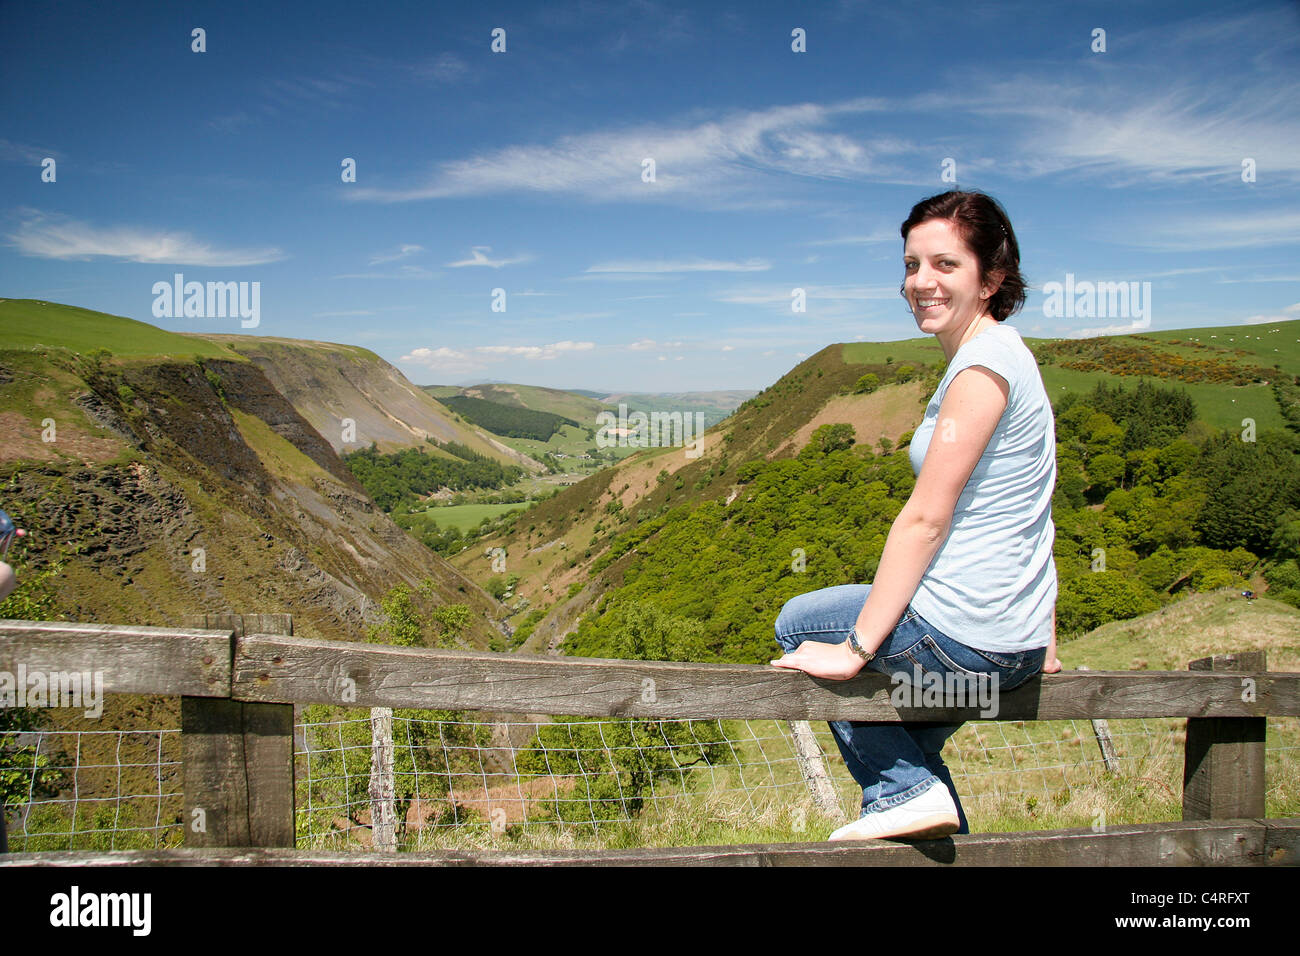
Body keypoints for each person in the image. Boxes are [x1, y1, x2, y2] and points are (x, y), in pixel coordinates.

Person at [771, 190, 1062, 841]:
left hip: (965, 638)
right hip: (1010, 645)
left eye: (945, 265)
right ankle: (917, 796)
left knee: (798, 622)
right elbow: (1032, 506)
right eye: (910, 264)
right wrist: (1043, 635)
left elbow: (925, 520)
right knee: (912, 751)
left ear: (991, 279)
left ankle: (900, 789)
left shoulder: (981, 368)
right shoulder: (1010, 356)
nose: (919, 282)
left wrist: (855, 650)